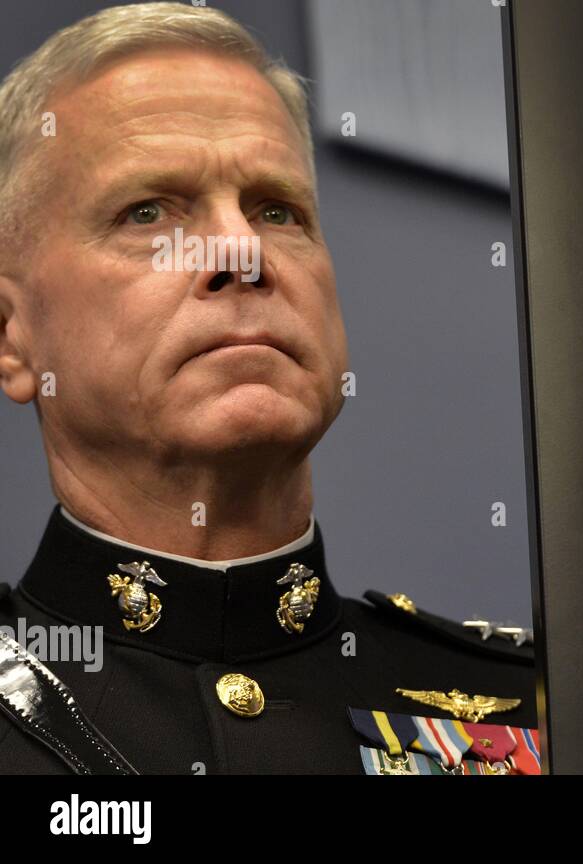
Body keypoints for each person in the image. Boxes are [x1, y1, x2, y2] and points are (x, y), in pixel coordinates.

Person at [0, 2, 538, 775]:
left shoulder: (537, 704)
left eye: (277, 210)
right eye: (147, 211)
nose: (243, 251)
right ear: (11, 337)